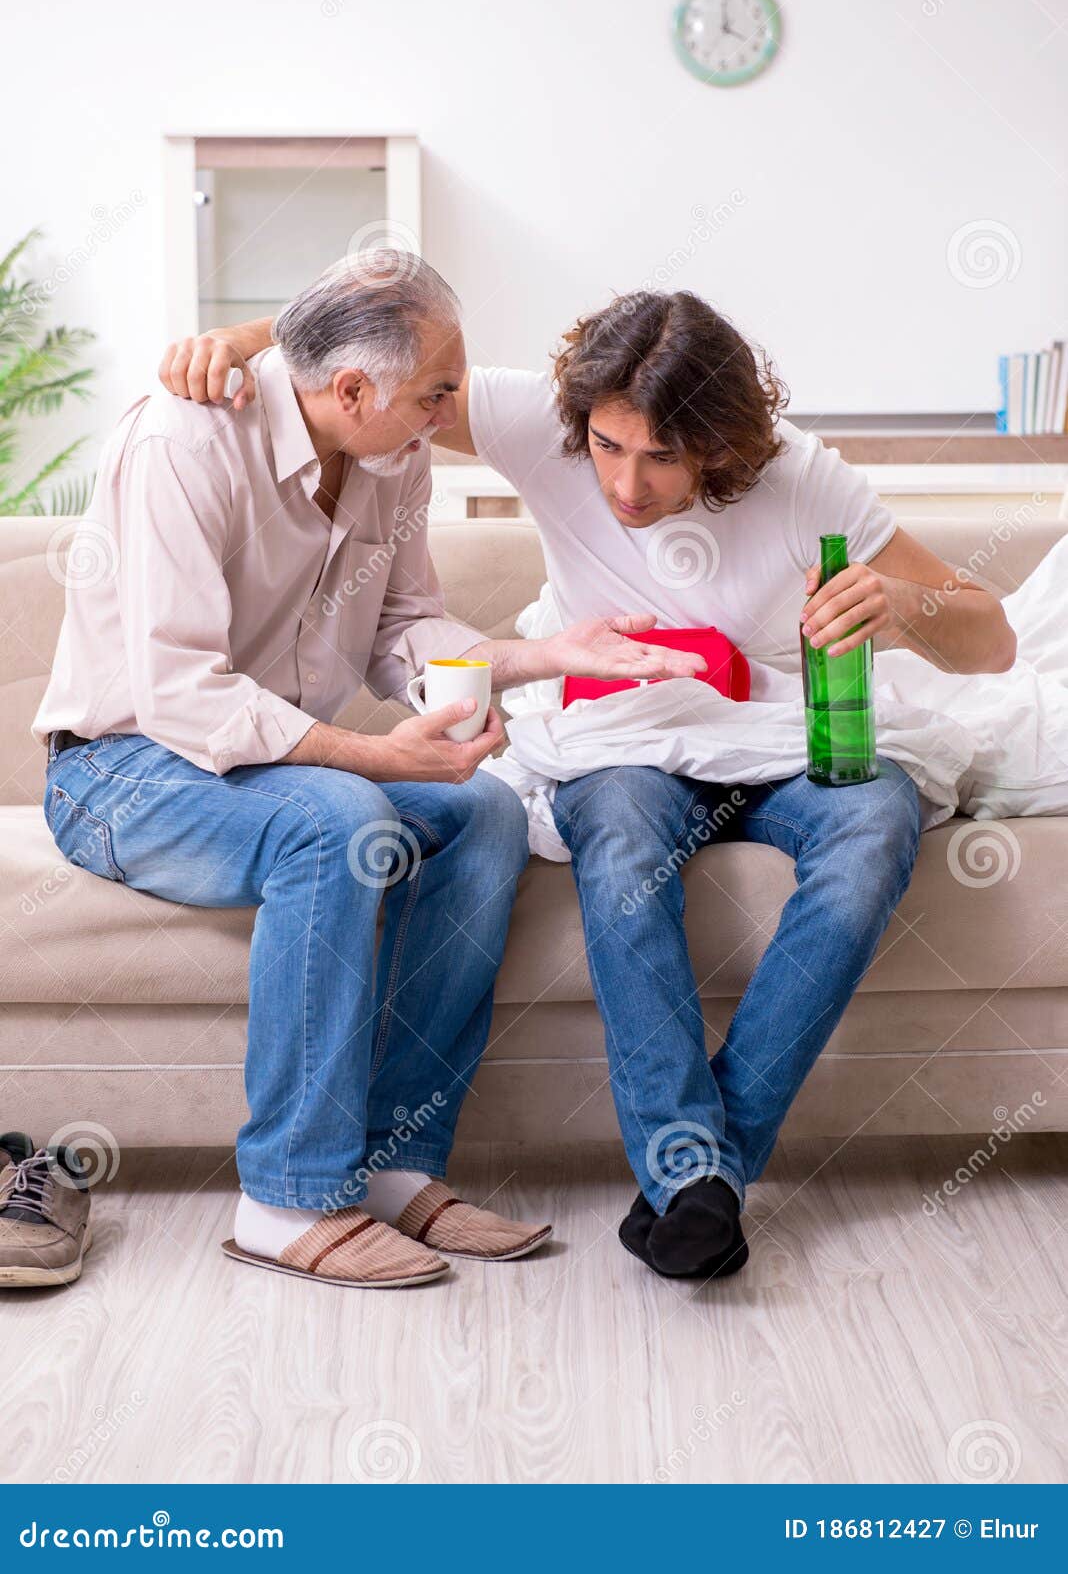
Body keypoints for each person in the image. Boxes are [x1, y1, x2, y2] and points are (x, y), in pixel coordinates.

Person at [159, 284, 1016, 1282]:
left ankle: (696, 1174)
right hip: (622, 735)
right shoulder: (542, 420)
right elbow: (376, 362)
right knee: (619, 833)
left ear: (724, 445)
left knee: (877, 824)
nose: (626, 484)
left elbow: (993, 639)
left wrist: (904, 603)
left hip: (776, 737)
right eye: (609, 447)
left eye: (662, 457)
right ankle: (696, 1177)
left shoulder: (802, 477)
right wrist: (243, 339)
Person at [34, 255, 704, 1291]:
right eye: (436, 393)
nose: (447, 415)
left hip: (261, 773)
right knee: (337, 818)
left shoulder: (391, 453)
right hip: (122, 771)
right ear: (351, 389)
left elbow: (402, 628)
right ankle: (286, 1199)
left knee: (483, 812)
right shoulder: (183, 445)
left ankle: (394, 1164)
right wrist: (375, 754)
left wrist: (547, 654)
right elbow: (181, 694)